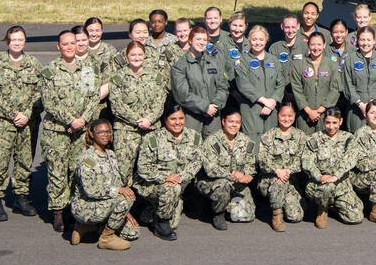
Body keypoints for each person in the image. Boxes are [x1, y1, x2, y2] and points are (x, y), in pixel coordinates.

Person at [40, 29, 109, 232]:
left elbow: (93, 97)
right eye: (65, 44)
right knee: (57, 172)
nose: (70, 47)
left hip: (81, 130)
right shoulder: (50, 70)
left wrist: (83, 119)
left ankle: (74, 208)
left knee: (77, 170)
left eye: (73, 43)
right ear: (58, 47)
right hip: (57, 131)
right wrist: (70, 119)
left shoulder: (88, 69)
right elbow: (49, 101)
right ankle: (58, 211)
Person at [0, 25, 41, 220]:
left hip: (28, 123)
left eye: (20, 40)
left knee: (25, 161)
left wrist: (26, 114)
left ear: (25, 41)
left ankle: (20, 197)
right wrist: (13, 114)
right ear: (7, 42)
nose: (17, 43)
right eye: (13, 40)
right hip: (3, 123)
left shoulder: (34, 65)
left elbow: (40, 93)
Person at [134, 106, 203, 240]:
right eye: (173, 119)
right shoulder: (153, 138)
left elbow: (196, 162)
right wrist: (166, 177)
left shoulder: (194, 137)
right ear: (165, 120)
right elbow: (143, 167)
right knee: (172, 191)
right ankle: (161, 224)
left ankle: (148, 212)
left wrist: (181, 177)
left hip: (179, 183)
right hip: (151, 184)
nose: (178, 122)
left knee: (174, 222)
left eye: (181, 118)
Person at [69, 119, 137, 250]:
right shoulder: (88, 159)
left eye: (108, 132)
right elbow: (90, 190)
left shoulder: (110, 154)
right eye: (100, 132)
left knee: (132, 233)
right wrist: (119, 193)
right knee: (126, 198)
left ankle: (87, 227)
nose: (105, 135)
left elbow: (116, 183)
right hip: (85, 205)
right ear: (92, 134)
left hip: (103, 203)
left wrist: (126, 212)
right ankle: (106, 238)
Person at [109, 40, 167, 185]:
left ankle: (147, 202)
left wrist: (149, 120)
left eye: (140, 54)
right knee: (124, 168)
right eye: (133, 54)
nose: (136, 57)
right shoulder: (118, 78)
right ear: (127, 56)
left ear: (144, 56)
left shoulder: (156, 76)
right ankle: (124, 204)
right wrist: (137, 120)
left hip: (151, 128)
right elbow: (117, 105)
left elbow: (160, 101)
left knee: (151, 166)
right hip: (126, 130)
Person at [302, 107, 364, 226]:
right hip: (320, 184)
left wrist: (335, 176)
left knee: (355, 217)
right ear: (323, 122)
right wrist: (319, 176)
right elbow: (307, 161)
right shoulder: (314, 138)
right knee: (326, 189)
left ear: (340, 121)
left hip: (341, 183)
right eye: (328, 122)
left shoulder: (348, 138)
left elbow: (350, 159)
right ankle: (322, 209)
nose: (331, 126)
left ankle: (335, 205)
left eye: (334, 122)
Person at [197, 109, 258, 229]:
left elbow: (250, 164)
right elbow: (210, 169)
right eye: (231, 121)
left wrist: (248, 175)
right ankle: (217, 213)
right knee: (223, 184)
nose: (234, 125)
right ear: (223, 122)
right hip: (212, 182)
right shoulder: (212, 140)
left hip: (236, 184)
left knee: (246, 216)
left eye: (237, 122)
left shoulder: (246, 142)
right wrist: (232, 174)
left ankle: (224, 206)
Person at [170, 29, 230, 139]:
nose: (201, 42)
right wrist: (205, 107)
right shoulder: (180, 66)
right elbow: (182, 94)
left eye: (204, 40)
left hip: (213, 115)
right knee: (192, 149)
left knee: (213, 149)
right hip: (192, 116)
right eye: (198, 39)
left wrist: (215, 105)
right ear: (190, 41)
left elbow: (223, 87)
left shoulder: (214, 62)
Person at [257, 101, 306, 232]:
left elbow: (303, 159)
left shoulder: (301, 136)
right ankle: (276, 215)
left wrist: (288, 171)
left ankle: (283, 201)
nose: (286, 119)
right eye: (283, 115)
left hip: (290, 181)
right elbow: (262, 159)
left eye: (290, 115)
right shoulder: (268, 136)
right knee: (278, 182)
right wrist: (277, 170)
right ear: (277, 115)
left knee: (296, 216)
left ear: (295, 116)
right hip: (270, 179)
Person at [234, 25, 285, 138]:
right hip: (251, 109)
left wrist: (273, 101)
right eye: (254, 39)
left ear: (266, 40)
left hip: (271, 109)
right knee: (253, 142)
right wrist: (264, 101)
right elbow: (243, 85)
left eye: (261, 39)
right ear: (249, 40)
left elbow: (281, 83)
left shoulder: (274, 60)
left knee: (270, 141)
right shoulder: (242, 61)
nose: (258, 43)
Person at [343, 26, 376, 131]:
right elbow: (347, 84)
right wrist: (360, 104)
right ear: (357, 41)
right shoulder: (350, 59)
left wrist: (374, 102)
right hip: (357, 109)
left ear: (374, 41)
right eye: (362, 40)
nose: (365, 43)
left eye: (368, 40)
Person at [290, 32, 343, 135]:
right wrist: (309, 111)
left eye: (319, 44)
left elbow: (335, 88)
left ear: (324, 45)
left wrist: (320, 110)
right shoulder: (299, 64)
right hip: (305, 114)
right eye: (313, 44)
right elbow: (297, 88)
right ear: (308, 45)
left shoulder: (331, 64)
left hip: (325, 114)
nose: (316, 48)